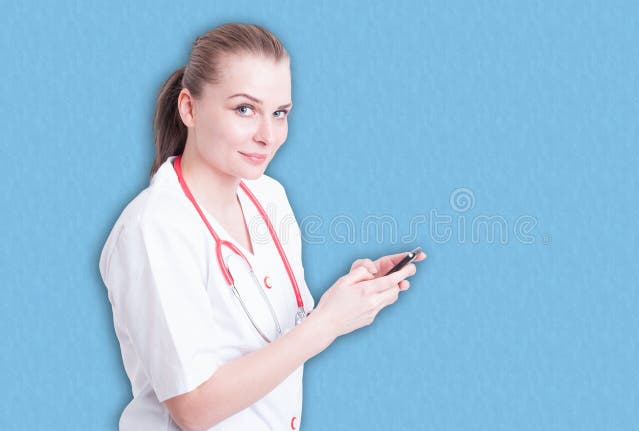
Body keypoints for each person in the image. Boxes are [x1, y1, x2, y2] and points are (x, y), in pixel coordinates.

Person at [98, 22, 425, 431]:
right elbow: (194, 407)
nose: (268, 136)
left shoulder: (269, 197)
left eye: (280, 113)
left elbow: (280, 340)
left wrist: (348, 299)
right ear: (190, 108)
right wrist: (327, 325)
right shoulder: (153, 229)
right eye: (244, 109)